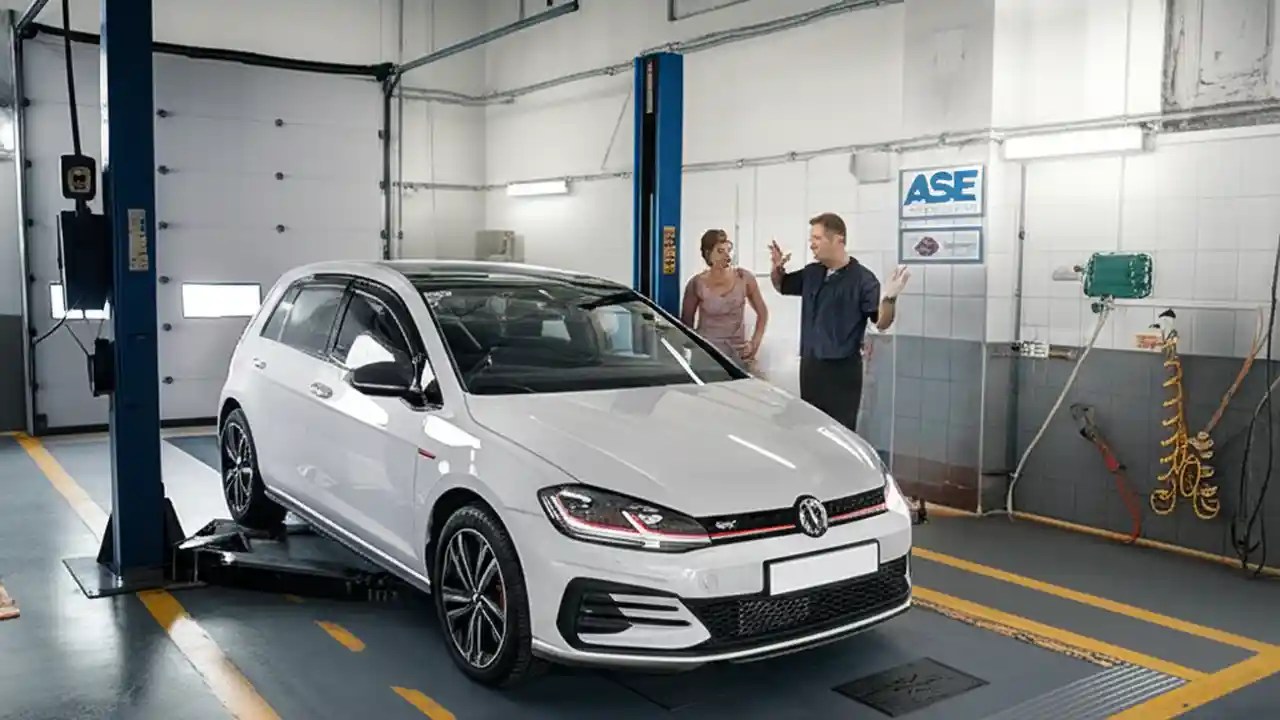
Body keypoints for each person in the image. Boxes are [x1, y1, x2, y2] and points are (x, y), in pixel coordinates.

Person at [769, 212, 909, 433]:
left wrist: (889, 298)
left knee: (839, 433)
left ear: (838, 239)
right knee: (809, 428)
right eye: (811, 239)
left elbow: (882, 323)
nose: (811, 245)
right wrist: (776, 269)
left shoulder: (863, 279)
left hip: (841, 372)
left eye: (817, 239)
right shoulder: (812, 273)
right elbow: (782, 286)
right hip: (810, 366)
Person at [681, 228, 769, 372]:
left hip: (738, 354)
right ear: (708, 254)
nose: (727, 256)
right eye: (720, 251)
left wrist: (754, 344)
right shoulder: (696, 284)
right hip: (707, 355)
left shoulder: (744, 278)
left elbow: (763, 313)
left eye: (728, 250)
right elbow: (686, 325)